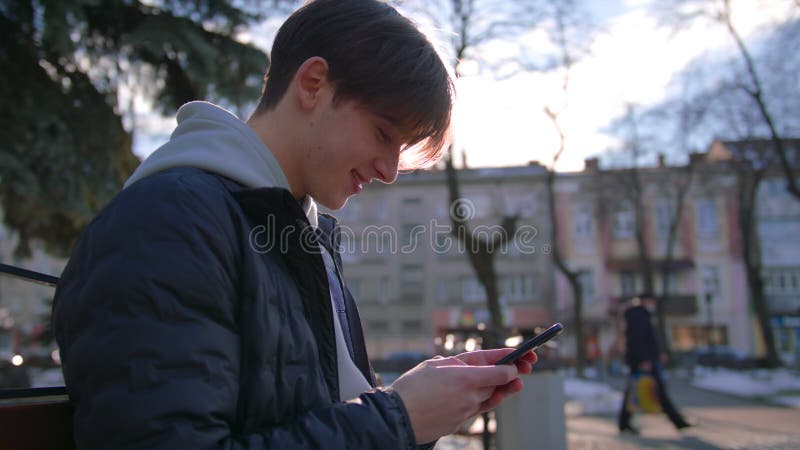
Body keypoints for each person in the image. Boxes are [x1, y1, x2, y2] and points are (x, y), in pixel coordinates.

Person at [52, 1, 537, 449]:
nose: (390, 170)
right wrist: (399, 416)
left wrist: (419, 409)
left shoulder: (301, 238)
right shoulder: (165, 224)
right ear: (313, 84)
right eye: (384, 134)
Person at [618, 292, 692, 434]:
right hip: (643, 361)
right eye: (651, 301)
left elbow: (646, 339)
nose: (653, 304)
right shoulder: (638, 316)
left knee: (634, 391)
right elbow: (638, 339)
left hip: (645, 360)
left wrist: (657, 355)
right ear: (645, 301)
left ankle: (624, 422)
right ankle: (677, 421)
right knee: (656, 390)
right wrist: (644, 359)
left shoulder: (640, 315)